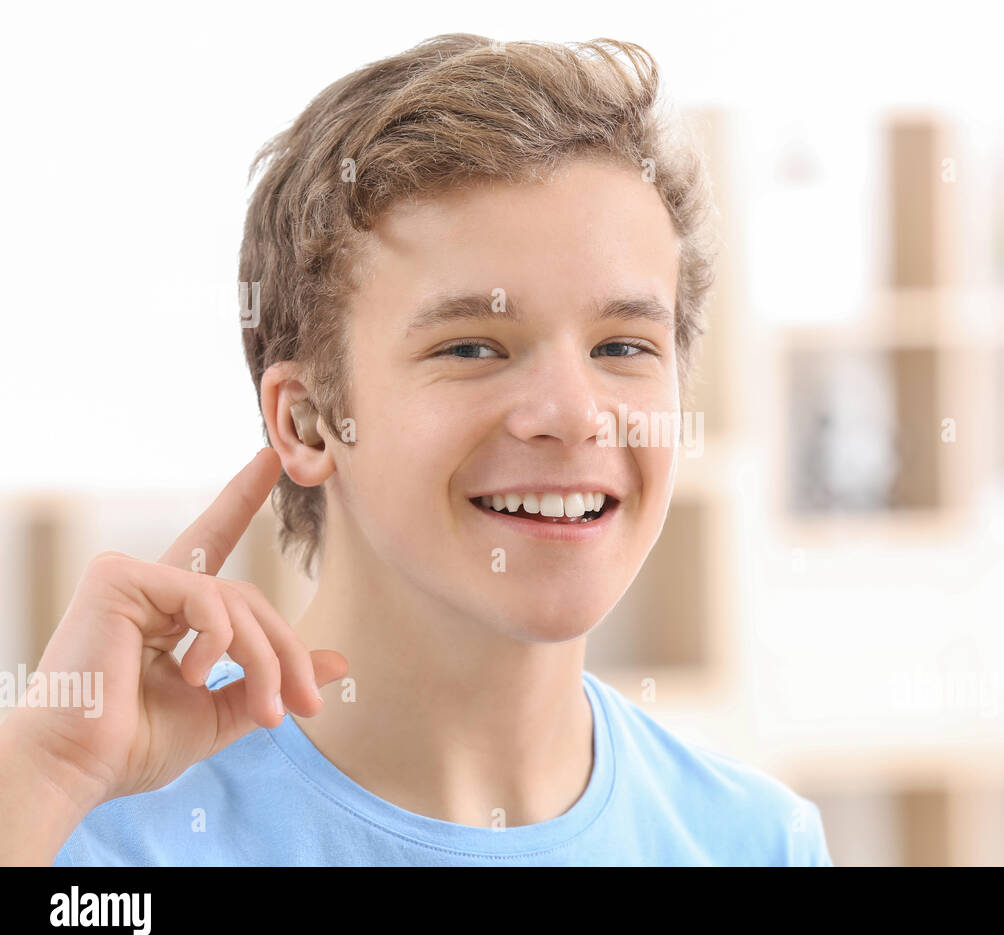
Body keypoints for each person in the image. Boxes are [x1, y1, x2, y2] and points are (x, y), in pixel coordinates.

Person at [0, 34, 832, 865]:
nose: (575, 416)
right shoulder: (85, 829)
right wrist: (41, 779)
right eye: (472, 348)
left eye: (622, 347)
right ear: (308, 423)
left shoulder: (757, 842)